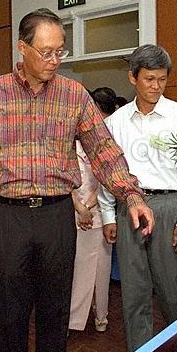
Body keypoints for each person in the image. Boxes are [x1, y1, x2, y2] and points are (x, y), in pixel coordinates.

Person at [0, 8, 155, 352]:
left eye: (60, 53)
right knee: (8, 315)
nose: (54, 61)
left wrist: (130, 194)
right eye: (46, 52)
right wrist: (2, 194)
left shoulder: (74, 95)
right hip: (6, 217)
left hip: (56, 216)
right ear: (22, 48)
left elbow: (103, 149)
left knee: (55, 314)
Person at [98, 44, 177, 352]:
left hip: (170, 208)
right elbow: (107, 169)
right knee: (134, 293)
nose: (156, 87)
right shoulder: (116, 122)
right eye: (149, 80)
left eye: (162, 79)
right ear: (133, 78)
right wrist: (107, 214)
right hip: (128, 208)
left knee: (174, 291)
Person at [69, 87, 117, 333]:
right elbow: (62, 179)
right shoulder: (65, 141)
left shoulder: (104, 141)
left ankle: (101, 317)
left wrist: (89, 205)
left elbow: (110, 177)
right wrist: (78, 206)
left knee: (102, 269)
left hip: (101, 211)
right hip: (72, 211)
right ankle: (74, 320)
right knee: (77, 268)